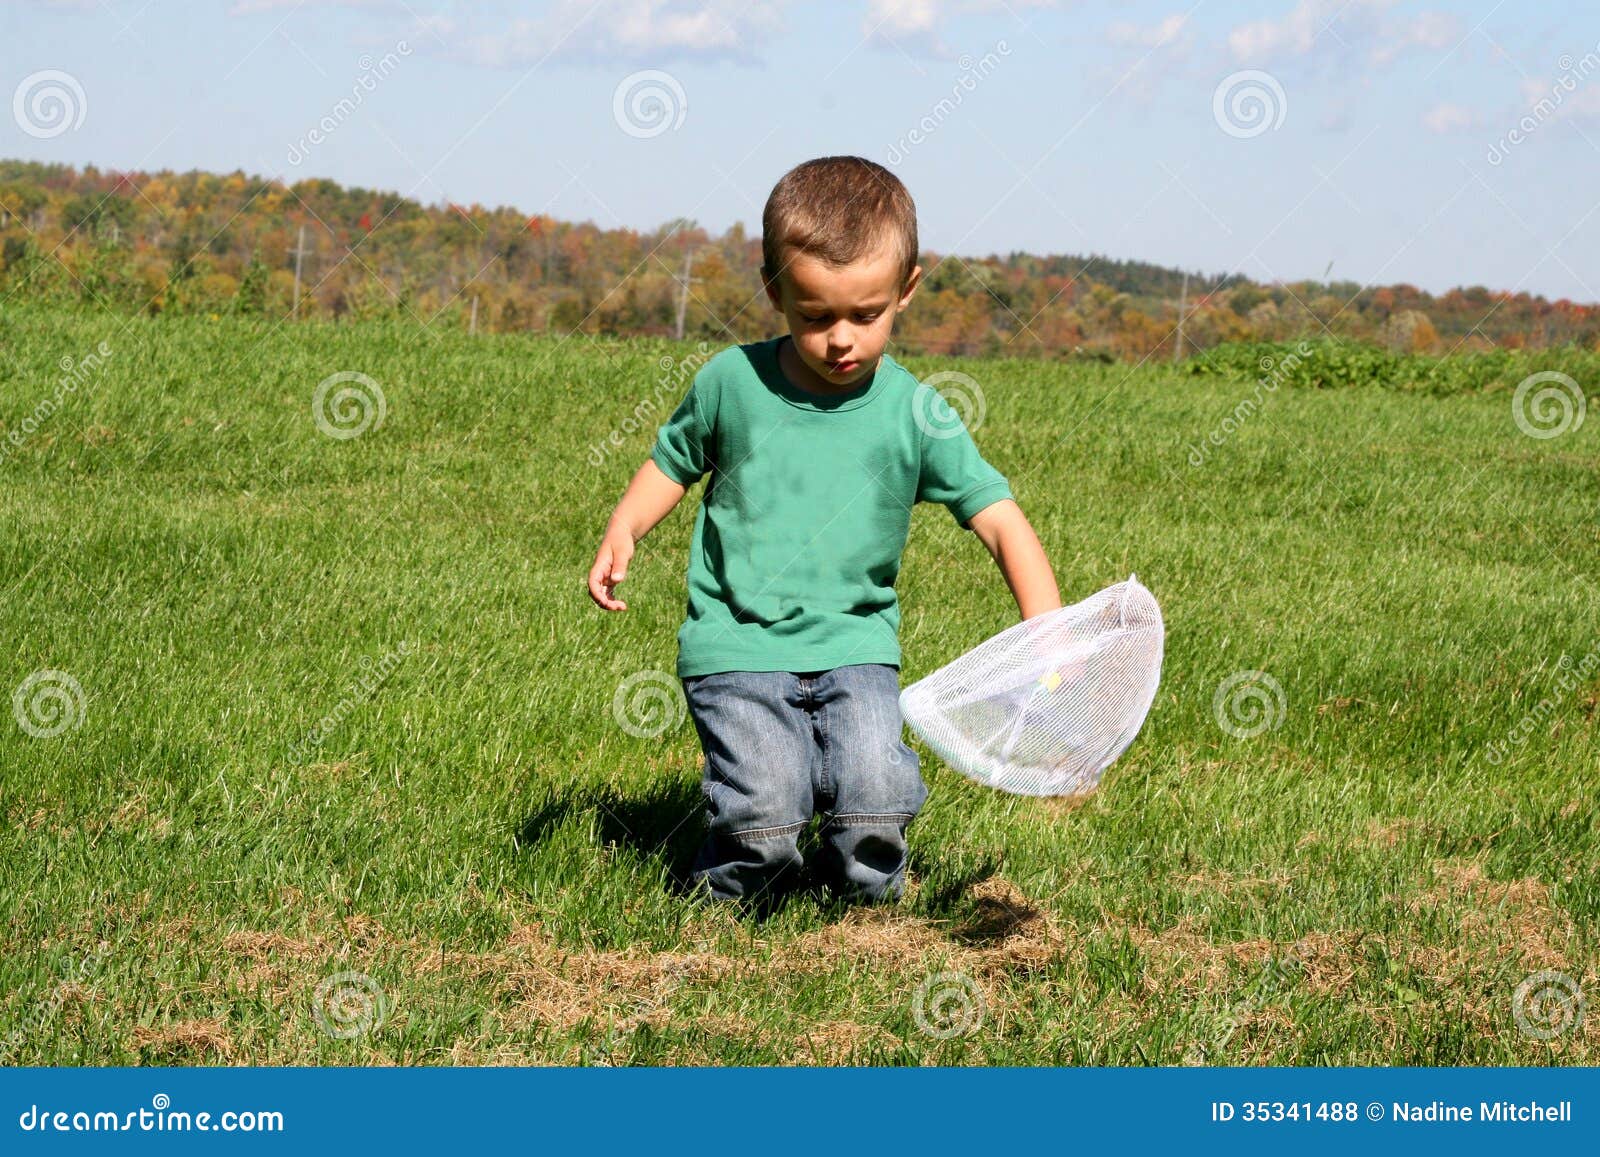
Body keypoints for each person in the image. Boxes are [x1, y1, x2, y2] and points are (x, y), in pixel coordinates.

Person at [588, 155, 1060, 910]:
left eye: (865, 316)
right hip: (737, 643)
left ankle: (866, 908)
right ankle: (733, 901)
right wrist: (625, 528)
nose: (841, 339)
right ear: (775, 291)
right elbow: (671, 462)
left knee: (874, 791)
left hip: (857, 645)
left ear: (906, 289)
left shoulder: (916, 412)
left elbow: (1000, 519)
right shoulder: (731, 383)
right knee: (765, 805)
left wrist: (1047, 633)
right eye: (815, 317)